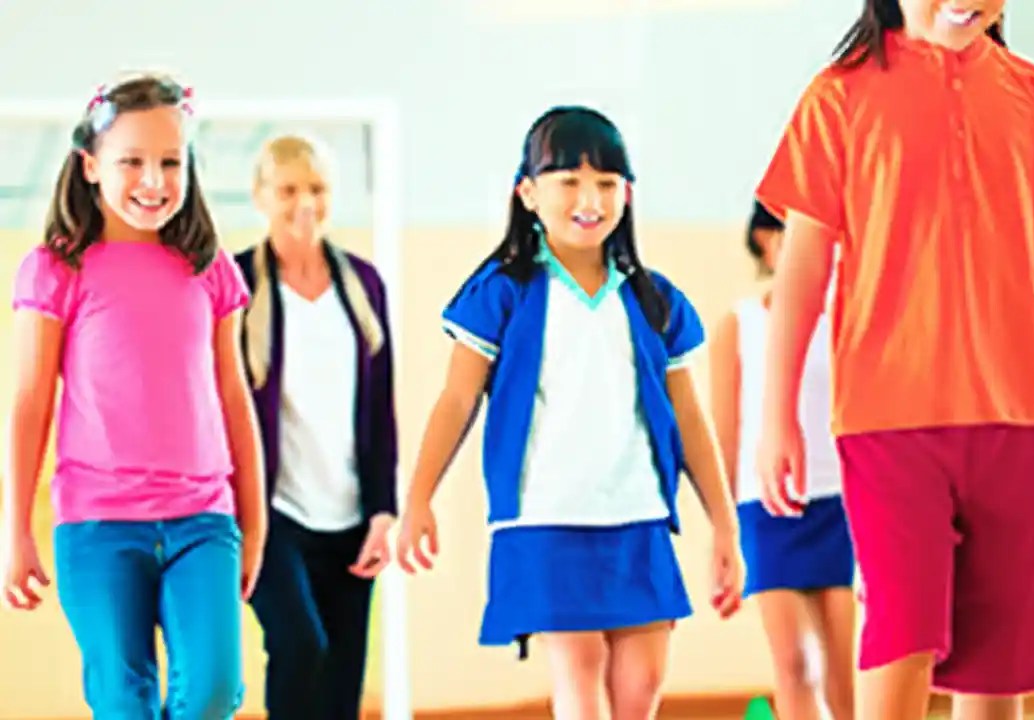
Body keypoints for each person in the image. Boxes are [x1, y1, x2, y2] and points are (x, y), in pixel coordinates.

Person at [752, 1, 1034, 718]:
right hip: (887, 423)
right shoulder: (837, 98)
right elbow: (803, 271)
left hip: (1015, 419)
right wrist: (776, 414)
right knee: (900, 636)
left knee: (998, 662)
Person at [395, 106, 743, 720]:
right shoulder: (500, 293)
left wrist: (725, 525)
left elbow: (690, 419)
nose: (590, 199)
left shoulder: (656, 301)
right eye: (568, 181)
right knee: (580, 684)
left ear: (627, 194)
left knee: (641, 689)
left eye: (607, 183)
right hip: (544, 519)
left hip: (637, 517)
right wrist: (419, 497)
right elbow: (456, 400)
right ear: (528, 194)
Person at [0, 73, 266, 718]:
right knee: (123, 698)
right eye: (132, 162)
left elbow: (234, 397)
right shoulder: (56, 268)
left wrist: (253, 524)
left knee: (209, 693)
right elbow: (30, 402)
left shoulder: (211, 270)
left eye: (171, 161)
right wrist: (14, 531)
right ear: (91, 166)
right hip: (97, 525)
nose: (154, 181)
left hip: (202, 520)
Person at [234, 134, 398, 720]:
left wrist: (384, 510)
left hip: (351, 517)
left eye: (317, 189)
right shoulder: (235, 285)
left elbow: (381, 407)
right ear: (259, 197)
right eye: (288, 190)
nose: (304, 203)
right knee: (300, 645)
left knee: (340, 689)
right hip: (273, 514)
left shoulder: (363, 285)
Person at [709, 201, 854, 720]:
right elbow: (724, 432)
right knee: (795, 663)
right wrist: (720, 534)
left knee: (843, 672)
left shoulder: (842, 319)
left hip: (837, 504)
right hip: (765, 507)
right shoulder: (739, 323)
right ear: (766, 242)